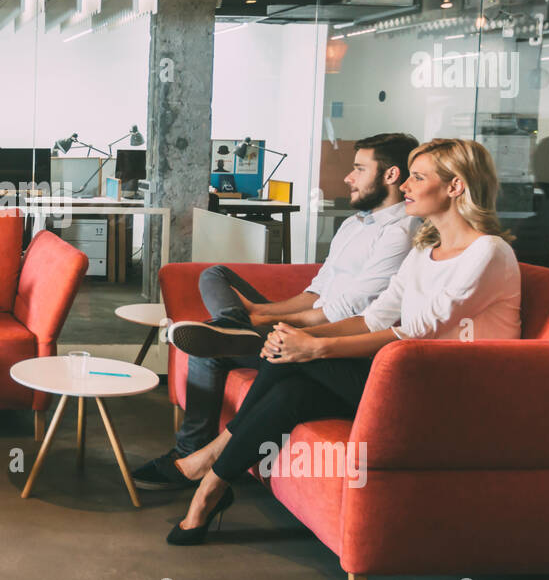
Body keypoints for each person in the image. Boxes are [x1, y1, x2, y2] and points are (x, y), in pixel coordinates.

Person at [165, 138, 521, 545]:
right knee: (290, 392)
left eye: (418, 177)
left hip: (449, 396)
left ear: (456, 187)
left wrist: (314, 346)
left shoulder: (487, 252)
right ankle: (211, 488)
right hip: (402, 377)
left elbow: (414, 331)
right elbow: (375, 317)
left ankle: (212, 461)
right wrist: (298, 337)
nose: (405, 185)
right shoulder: (426, 251)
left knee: (297, 360)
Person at [131, 132, 421, 490]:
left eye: (359, 168)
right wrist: (261, 310)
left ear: (390, 175)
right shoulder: (353, 224)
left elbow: (345, 311)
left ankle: (192, 443)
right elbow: (316, 291)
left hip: (337, 333)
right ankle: (232, 328)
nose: (348, 177)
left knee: (210, 349)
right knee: (215, 275)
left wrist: (263, 320)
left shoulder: (402, 232)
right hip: (309, 318)